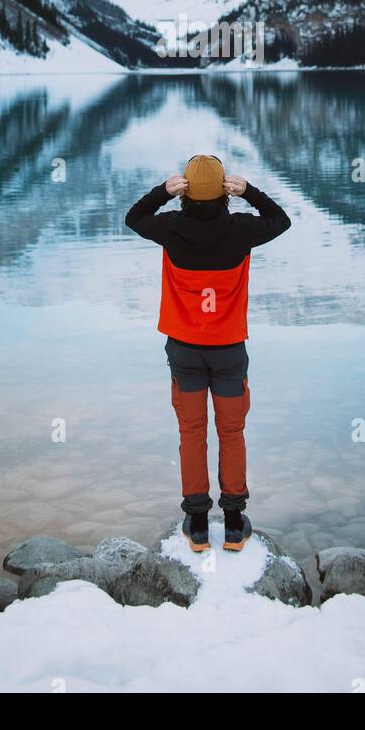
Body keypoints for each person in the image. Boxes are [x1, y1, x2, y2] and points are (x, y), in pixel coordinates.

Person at [124, 154, 291, 552]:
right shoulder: (241, 230)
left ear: (185, 192)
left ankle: (197, 524)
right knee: (232, 433)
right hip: (229, 351)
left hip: (184, 350)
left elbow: (134, 217)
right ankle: (233, 523)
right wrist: (249, 191)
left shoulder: (168, 227)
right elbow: (281, 221)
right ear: (223, 191)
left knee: (192, 433)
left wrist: (161, 193)